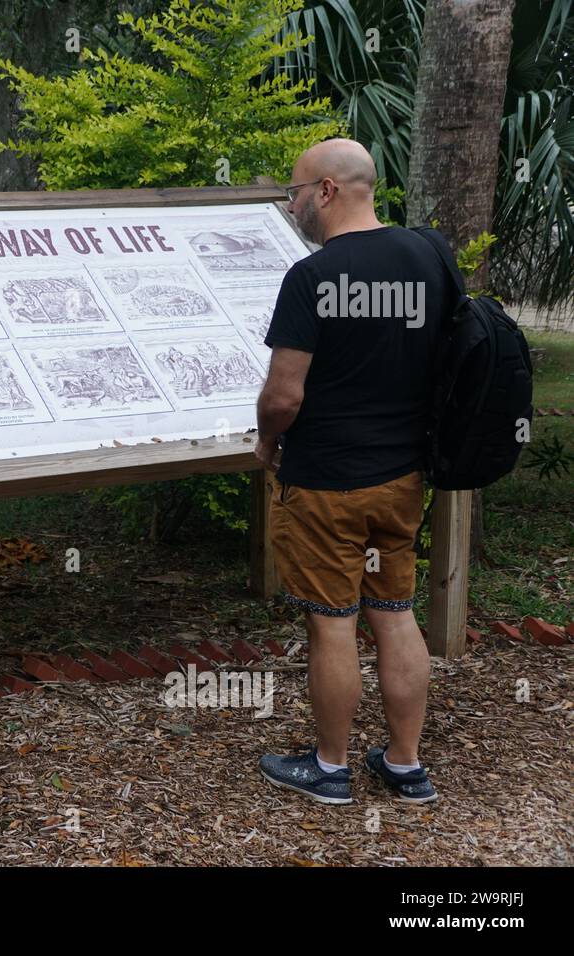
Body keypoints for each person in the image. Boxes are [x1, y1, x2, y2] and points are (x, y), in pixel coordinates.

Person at [254, 138, 452, 805]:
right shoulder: (429, 256)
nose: (294, 204)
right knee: (395, 613)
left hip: (326, 483)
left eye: (297, 192)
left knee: (333, 621)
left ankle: (331, 768)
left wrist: (263, 442)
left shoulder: (312, 278)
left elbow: (284, 395)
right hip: (401, 479)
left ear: (328, 192)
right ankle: (404, 765)